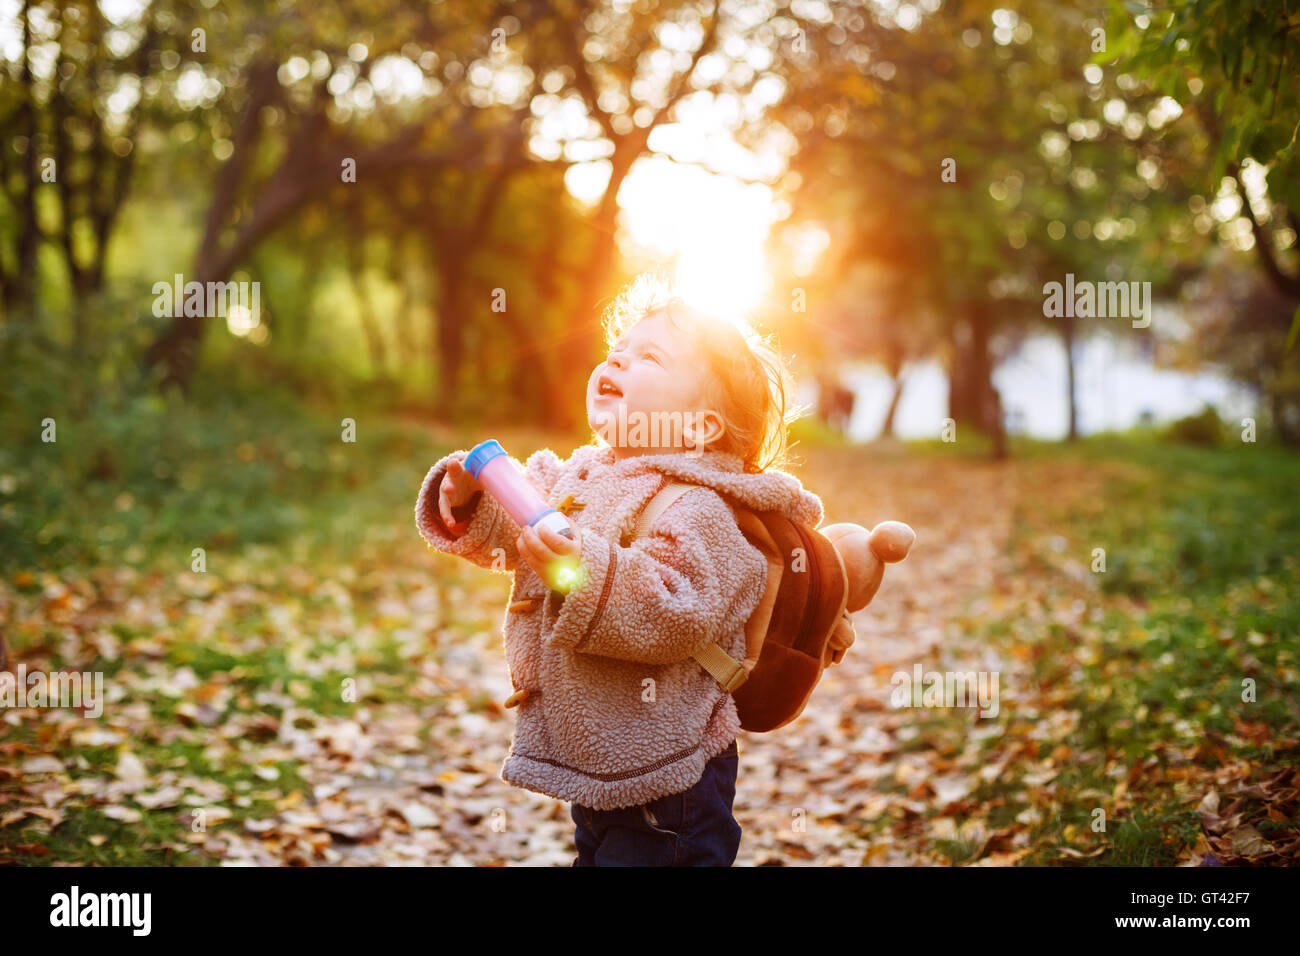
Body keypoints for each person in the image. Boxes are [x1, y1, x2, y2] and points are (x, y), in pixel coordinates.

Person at [415, 274, 826, 865]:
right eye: (618, 350)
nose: (619, 359)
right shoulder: (582, 476)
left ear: (700, 425)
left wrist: (584, 565)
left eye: (649, 357)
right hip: (606, 765)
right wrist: (469, 499)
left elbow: (677, 610)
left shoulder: (703, 507)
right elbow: (521, 528)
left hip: (672, 783)